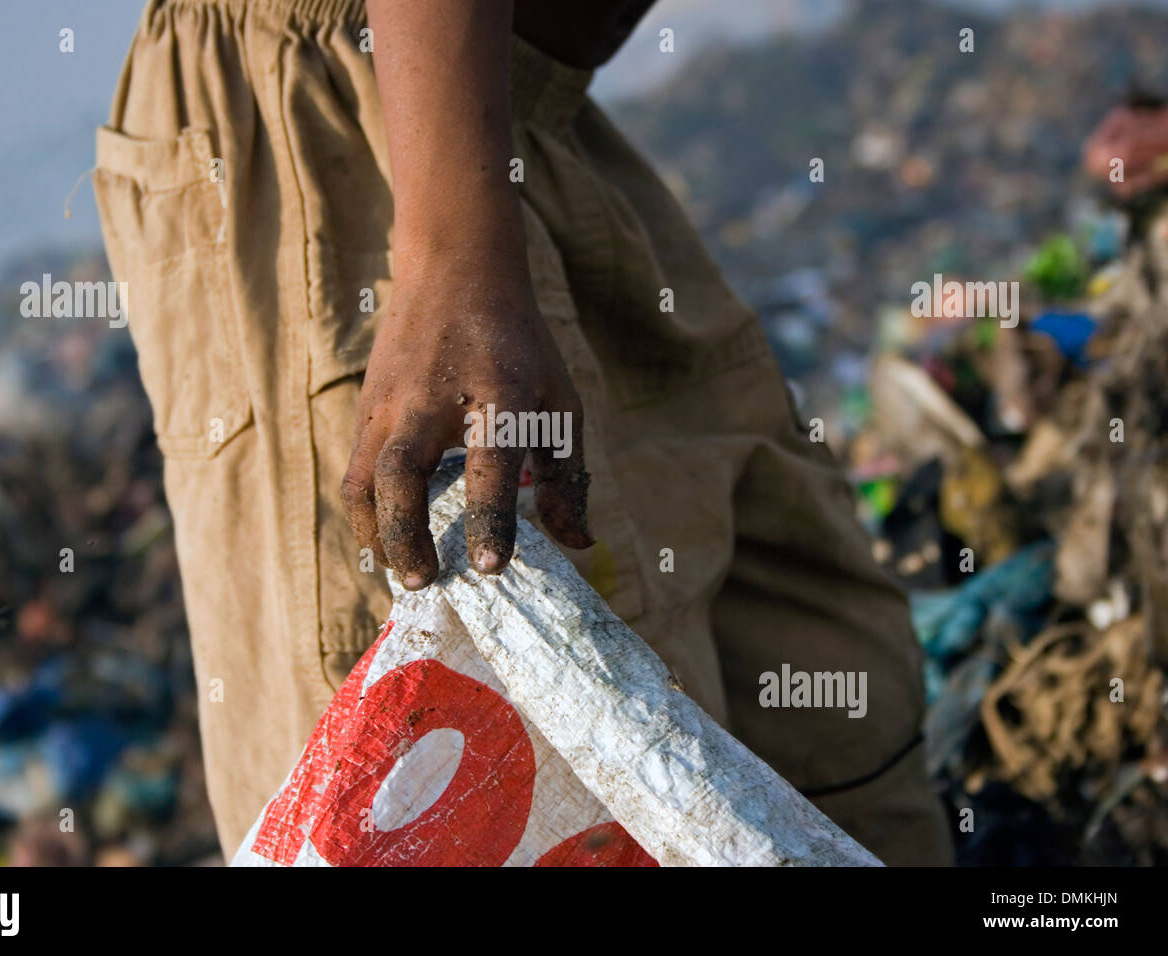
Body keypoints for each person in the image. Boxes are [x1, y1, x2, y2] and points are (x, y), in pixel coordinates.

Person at [94, 0, 953, 864]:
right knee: (531, 764)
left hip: (515, 104)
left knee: (815, 722)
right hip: (353, 131)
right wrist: (451, 255)